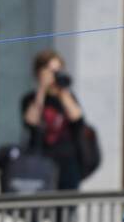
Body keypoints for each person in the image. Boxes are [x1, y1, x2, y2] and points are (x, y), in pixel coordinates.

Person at [20, 49, 85, 191]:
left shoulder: (67, 96)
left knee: (66, 210)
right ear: (39, 73)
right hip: (39, 163)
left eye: (58, 70)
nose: (55, 75)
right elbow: (31, 122)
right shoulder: (30, 99)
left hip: (67, 165)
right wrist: (42, 89)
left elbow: (77, 119)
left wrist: (63, 91)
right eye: (51, 71)